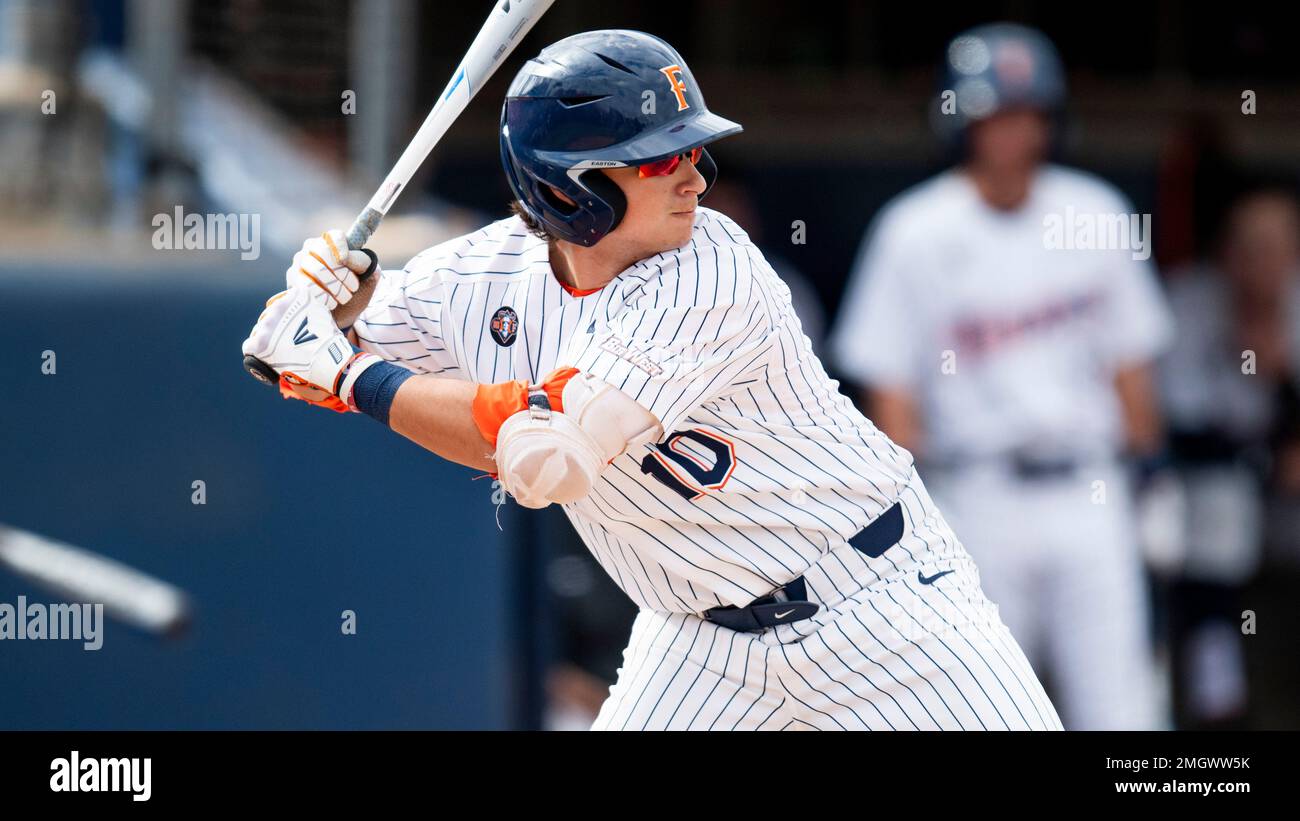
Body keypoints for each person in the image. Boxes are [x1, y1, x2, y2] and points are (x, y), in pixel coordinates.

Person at [242, 29, 1059, 730]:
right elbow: (296, 362)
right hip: (698, 641)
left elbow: (545, 458)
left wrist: (352, 371)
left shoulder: (712, 267)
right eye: (659, 158)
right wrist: (329, 315)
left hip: (879, 605)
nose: (695, 177)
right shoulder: (472, 278)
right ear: (575, 189)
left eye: (693, 150)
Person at [830, 23, 1171, 729]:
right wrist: (918, 518)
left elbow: (1131, 363)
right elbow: (891, 389)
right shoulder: (914, 229)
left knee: (1124, 709)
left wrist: (1152, 474)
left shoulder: (1094, 210)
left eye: (1029, 116)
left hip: (1089, 486)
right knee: (980, 707)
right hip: (976, 492)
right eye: (998, 117)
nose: (1015, 134)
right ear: (962, 124)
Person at [1159, 181, 1300, 726]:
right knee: (1218, 511)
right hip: (1214, 480)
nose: (1263, 259)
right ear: (1226, 250)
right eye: (1250, 245)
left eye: (1278, 245)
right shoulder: (1190, 299)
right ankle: (1219, 699)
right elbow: (1180, 421)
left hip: (1285, 489)